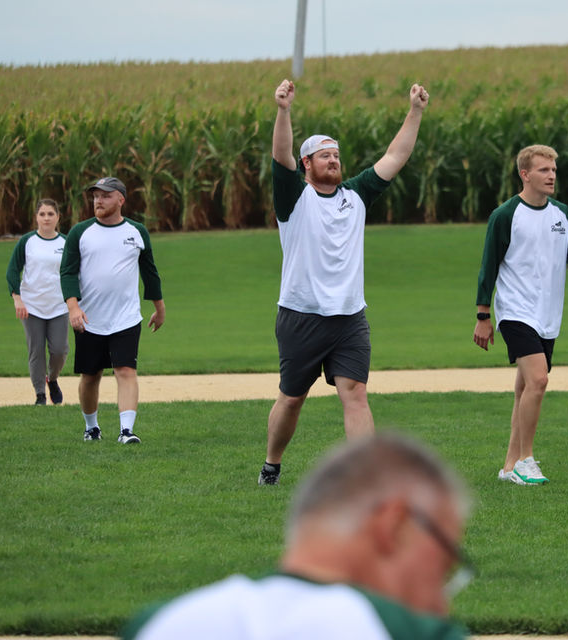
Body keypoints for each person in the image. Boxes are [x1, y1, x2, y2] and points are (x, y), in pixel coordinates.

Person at [122, 432, 472, 640]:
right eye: (444, 567)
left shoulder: (159, 624)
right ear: (392, 525)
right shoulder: (410, 632)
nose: (443, 604)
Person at [258, 78, 430, 485]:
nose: (333, 160)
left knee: (355, 394)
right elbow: (280, 154)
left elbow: (395, 155)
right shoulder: (294, 198)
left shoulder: (356, 195)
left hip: (350, 318)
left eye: (336, 155)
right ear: (307, 164)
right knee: (293, 398)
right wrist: (283, 110)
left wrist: (415, 111)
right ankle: (271, 464)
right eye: (324, 155)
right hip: (301, 316)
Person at [473, 144, 568, 486]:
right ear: (525, 174)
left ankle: (508, 466)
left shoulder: (560, 214)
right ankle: (526, 460)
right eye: (544, 170)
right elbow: (488, 267)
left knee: (524, 388)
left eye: (553, 171)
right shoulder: (505, 215)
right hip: (515, 311)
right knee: (539, 380)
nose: (551, 176)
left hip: (547, 314)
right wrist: (483, 314)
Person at [60, 176, 165, 444]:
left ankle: (126, 431)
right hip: (88, 318)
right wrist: (73, 307)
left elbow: (149, 272)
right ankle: (91, 427)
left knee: (126, 371)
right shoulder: (79, 232)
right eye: (96, 195)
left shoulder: (137, 231)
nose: (98, 200)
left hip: (126, 318)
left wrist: (159, 308)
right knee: (90, 375)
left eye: (106, 195)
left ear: (121, 200)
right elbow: (68, 272)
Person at [5, 199, 70, 405]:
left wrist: (75, 301)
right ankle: (40, 394)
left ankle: (52, 379)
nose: (46, 218)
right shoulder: (27, 241)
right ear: (36, 217)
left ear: (58, 217)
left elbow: (74, 273)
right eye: (42, 214)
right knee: (36, 350)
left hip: (59, 305)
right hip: (31, 306)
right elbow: (12, 270)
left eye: (51, 214)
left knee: (59, 350)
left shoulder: (65, 243)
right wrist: (17, 298)